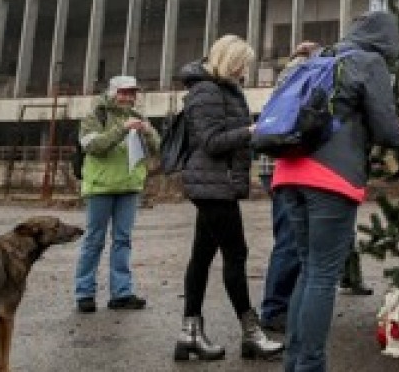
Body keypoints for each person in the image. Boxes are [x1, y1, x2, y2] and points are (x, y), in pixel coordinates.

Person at [271, 12, 399, 372]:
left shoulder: (321, 57)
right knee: (324, 274)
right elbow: (387, 131)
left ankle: (294, 361)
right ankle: (311, 365)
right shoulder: (369, 61)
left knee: (308, 268)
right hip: (329, 177)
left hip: (289, 170)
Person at [173, 35, 283, 361]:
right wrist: (251, 132)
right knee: (236, 254)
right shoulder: (206, 91)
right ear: (227, 60)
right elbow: (210, 141)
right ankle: (251, 334)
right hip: (212, 186)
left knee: (203, 256)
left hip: (215, 185)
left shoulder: (222, 89)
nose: (243, 70)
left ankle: (189, 333)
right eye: (240, 64)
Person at [259, 42, 376, 335]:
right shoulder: (304, 73)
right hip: (295, 165)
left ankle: (345, 280)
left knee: (314, 246)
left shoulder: (298, 74)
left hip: (288, 167)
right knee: (293, 244)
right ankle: (275, 309)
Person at [74, 75, 161, 313]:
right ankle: (84, 293)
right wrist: (121, 130)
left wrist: (147, 132)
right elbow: (94, 147)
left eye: (131, 93)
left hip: (129, 187)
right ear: (112, 92)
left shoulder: (139, 117)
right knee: (94, 240)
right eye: (123, 92)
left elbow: (157, 147)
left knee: (123, 240)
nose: (127, 97)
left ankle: (121, 293)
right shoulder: (95, 116)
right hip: (100, 187)